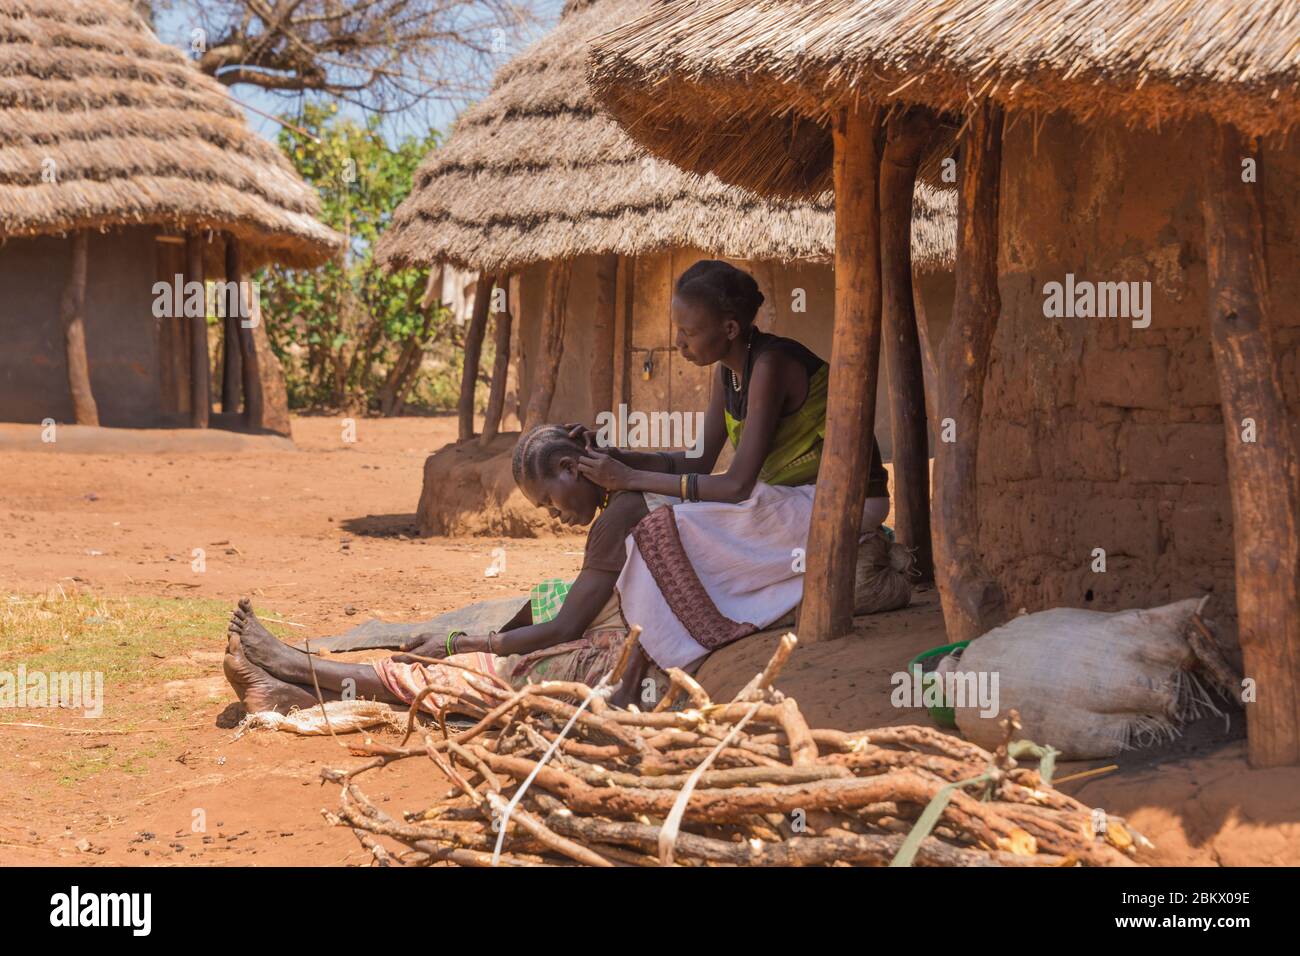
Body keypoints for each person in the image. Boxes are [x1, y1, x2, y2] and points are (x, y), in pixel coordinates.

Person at [222, 425, 661, 716]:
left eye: (549, 501)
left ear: (570, 467)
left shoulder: (615, 519)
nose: (553, 515)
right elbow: (687, 465)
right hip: (642, 634)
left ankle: (300, 667)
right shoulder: (633, 493)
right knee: (541, 602)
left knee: (474, 674)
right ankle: (288, 696)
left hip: (629, 658)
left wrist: (459, 643)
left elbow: (563, 629)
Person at [573, 258, 890, 525]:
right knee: (670, 509)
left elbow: (737, 485)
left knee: (685, 521)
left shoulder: (771, 366)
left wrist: (630, 478)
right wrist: (615, 455)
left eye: (689, 332)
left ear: (730, 329)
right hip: (792, 495)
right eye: (677, 330)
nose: (679, 342)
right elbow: (697, 461)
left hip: (850, 501)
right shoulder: (728, 372)